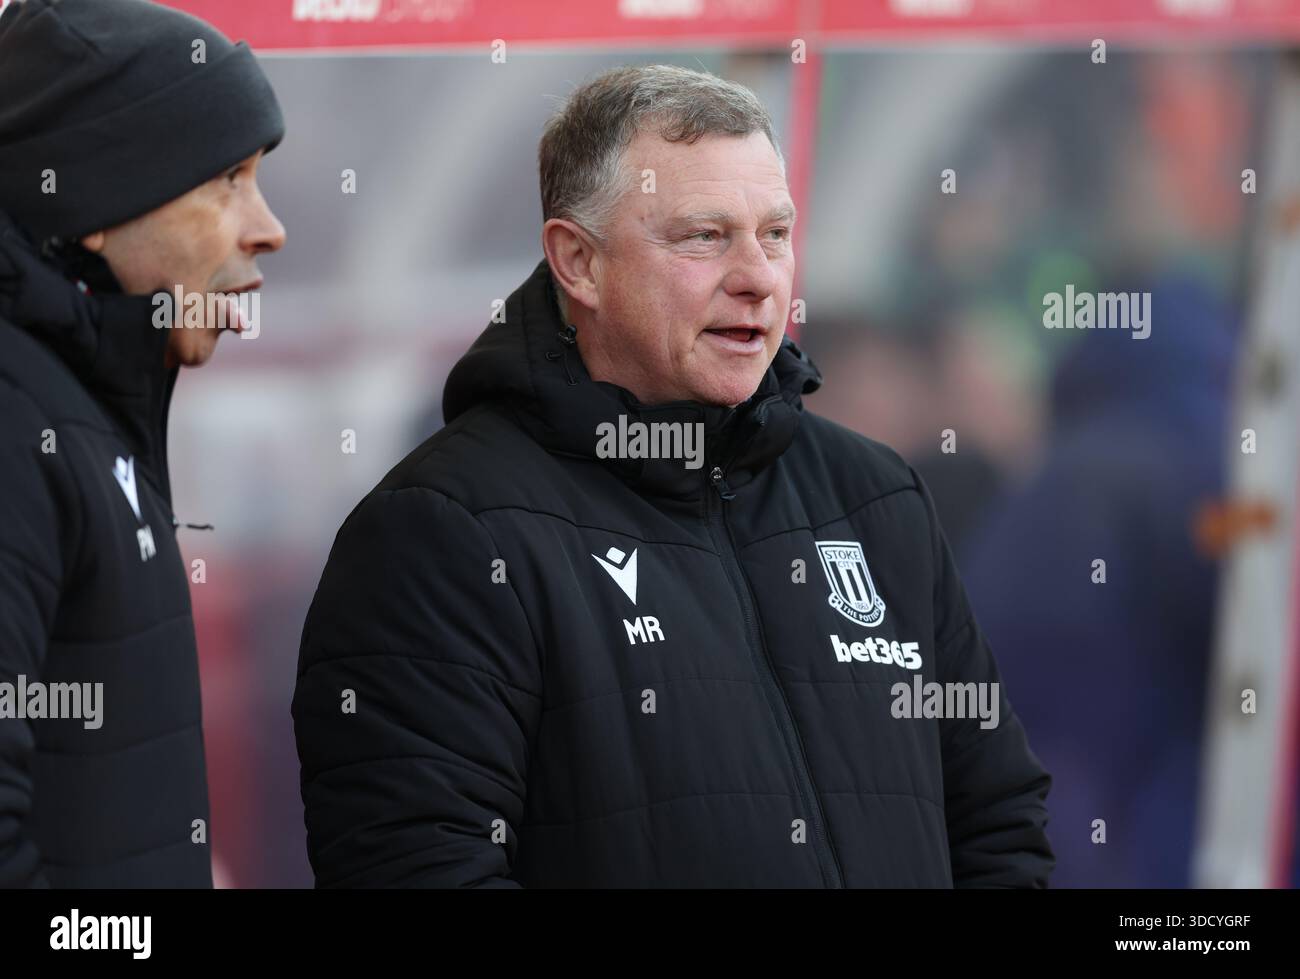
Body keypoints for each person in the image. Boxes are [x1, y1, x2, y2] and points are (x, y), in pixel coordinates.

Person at [293, 64, 1052, 887]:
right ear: (578, 262)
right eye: (703, 236)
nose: (757, 275)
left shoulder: (874, 498)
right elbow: (420, 868)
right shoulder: (443, 534)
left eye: (775, 234)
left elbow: (998, 820)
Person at [0, 0, 286, 887]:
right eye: (227, 179)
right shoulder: (18, 416)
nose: (267, 226)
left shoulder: (76, 403)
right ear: (92, 205)